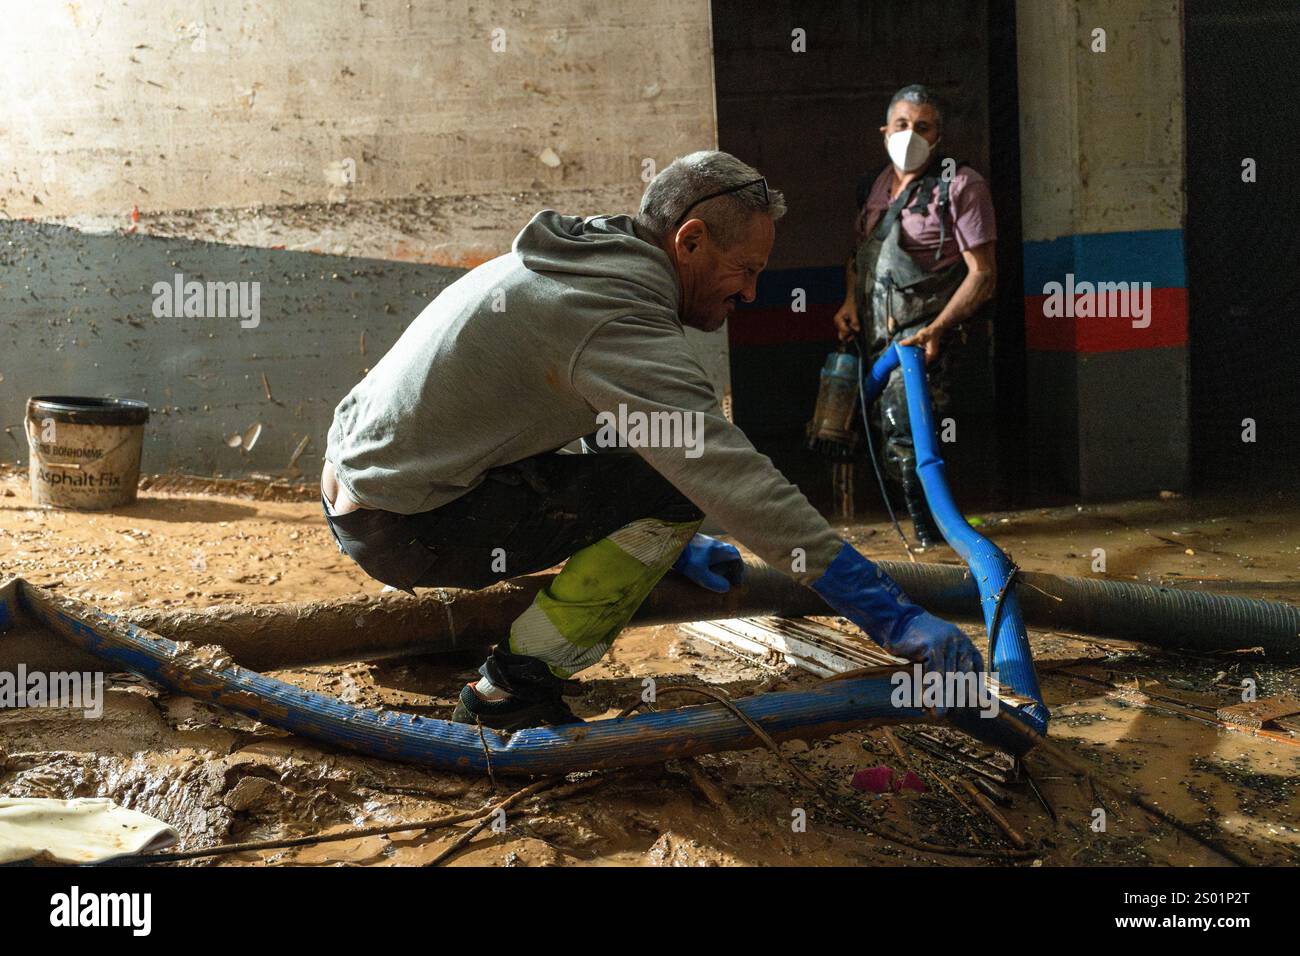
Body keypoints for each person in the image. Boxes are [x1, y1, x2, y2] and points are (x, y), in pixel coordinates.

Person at [322, 149, 983, 731]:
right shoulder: (614, 315)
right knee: (676, 485)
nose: (752, 292)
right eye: (745, 270)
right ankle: (511, 691)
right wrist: (889, 615)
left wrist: (671, 549)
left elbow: (577, 436)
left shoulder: (585, 264)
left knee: (658, 482)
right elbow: (736, 481)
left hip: (372, 491)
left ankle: (485, 645)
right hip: (403, 523)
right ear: (690, 241)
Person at [832, 84, 998, 548]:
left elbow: (983, 275)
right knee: (882, 433)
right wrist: (849, 302)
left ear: (938, 136)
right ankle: (919, 533)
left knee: (910, 435)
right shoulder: (873, 185)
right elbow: (858, 252)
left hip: (926, 339)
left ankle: (934, 542)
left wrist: (938, 328)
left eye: (922, 127)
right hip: (876, 340)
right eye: (902, 125)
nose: (910, 135)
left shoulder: (960, 185)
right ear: (885, 131)